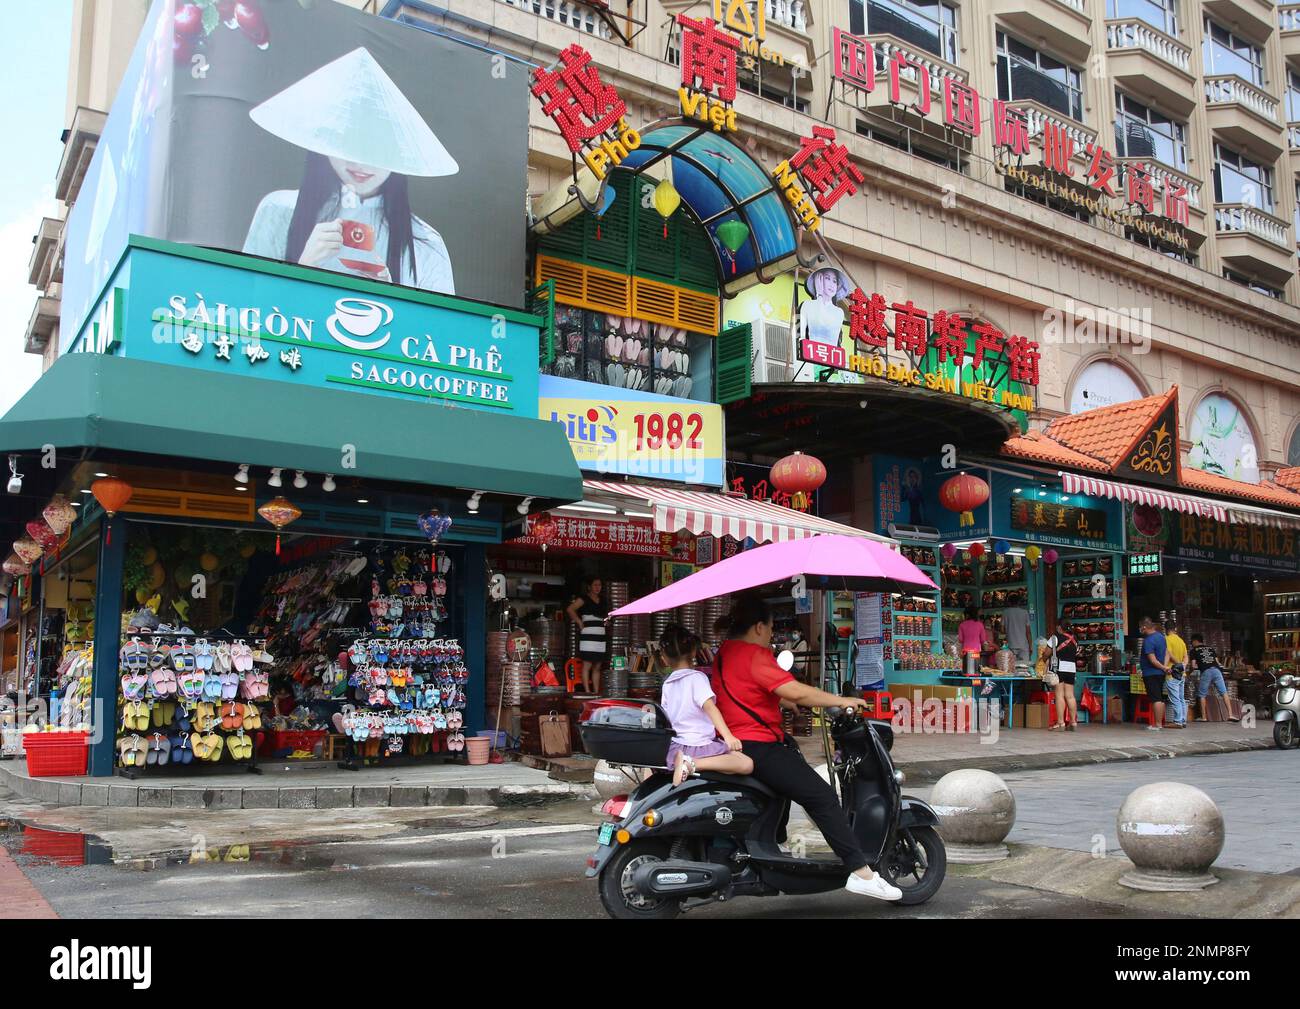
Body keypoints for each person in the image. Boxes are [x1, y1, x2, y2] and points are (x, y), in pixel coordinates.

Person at [711, 594, 902, 902]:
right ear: (759, 627)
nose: (772, 634)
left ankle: (774, 846)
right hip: (758, 745)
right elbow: (797, 690)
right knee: (822, 796)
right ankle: (861, 873)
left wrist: (780, 701)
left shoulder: (726, 652)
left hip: (739, 742)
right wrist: (841, 700)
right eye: (771, 628)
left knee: (787, 778)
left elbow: (745, 689)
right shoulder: (754, 654)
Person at [243, 47, 458, 293]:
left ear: (400, 151)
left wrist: (392, 302)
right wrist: (302, 270)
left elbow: (439, 330)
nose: (361, 163)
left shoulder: (426, 244)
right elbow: (245, 309)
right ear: (325, 141)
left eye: (377, 147)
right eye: (347, 141)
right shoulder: (279, 211)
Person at [657, 624, 754, 787]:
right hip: (700, 745)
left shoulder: (667, 684)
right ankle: (691, 763)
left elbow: (666, 717)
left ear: (664, 658)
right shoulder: (697, 678)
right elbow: (710, 708)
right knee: (746, 764)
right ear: (694, 652)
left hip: (676, 745)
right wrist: (728, 736)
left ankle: (685, 763)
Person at [566, 578, 608, 695]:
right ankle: (588, 692)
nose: (597, 587)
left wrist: (605, 622)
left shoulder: (603, 600)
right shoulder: (583, 599)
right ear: (589, 587)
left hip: (600, 636)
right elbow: (570, 609)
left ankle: (595, 692)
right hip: (588, 636)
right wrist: (579, 622)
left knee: (597, 666)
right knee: (587, 664)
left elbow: (604, 616)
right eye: (595, 585)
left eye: (599, 585)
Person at [1048, 620, 1080, 731]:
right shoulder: (1075, 640)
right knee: (1070, 696)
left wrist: (1043, 659)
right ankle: (1073, 722)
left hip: (1059, 667)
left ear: (1059, 627)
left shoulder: (1055, 638)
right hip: (1071, 668)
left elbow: (1047, 652)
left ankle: (1061, 723)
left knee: (1059, 695)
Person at [1190, 633, 1228, 722]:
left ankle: (1204, 717)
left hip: (1206, 671)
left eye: (1192, 642)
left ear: (1195, 641)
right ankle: (1231, 714)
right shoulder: (1211, 648)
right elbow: (1218, 663)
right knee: (1224, 692)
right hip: (1216, 670)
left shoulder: (1194, 650)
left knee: (1202, 694)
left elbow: (1193, 665)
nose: (1192, 644)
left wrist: (1191, 672)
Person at [1139, 616, 1168, 731]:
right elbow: (1166, 653)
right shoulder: (1161, 637)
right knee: (1159, 698)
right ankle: (1158, 723)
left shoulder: (1148, 640)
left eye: (1140, 627)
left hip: (1151, 673)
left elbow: (1152, 660)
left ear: (1145, 627)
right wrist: (1164, 667)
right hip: (1160, 673)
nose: (1140, 629)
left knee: (1156, 698)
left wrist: (1163, 667)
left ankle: (1157, 724)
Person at [1163, 619, 1188, 729]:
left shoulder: (1167, 639)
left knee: (1175, 699)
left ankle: (1178, 721)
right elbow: (1186, 656)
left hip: (1172, 673)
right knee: (1181, 698)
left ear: (1165, 629)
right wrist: (1183, 665)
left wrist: (1175, 664)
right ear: (1175, 628)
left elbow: (1168, 653)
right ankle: (1183, 720)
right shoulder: (1181, 641)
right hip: (1182, 674)